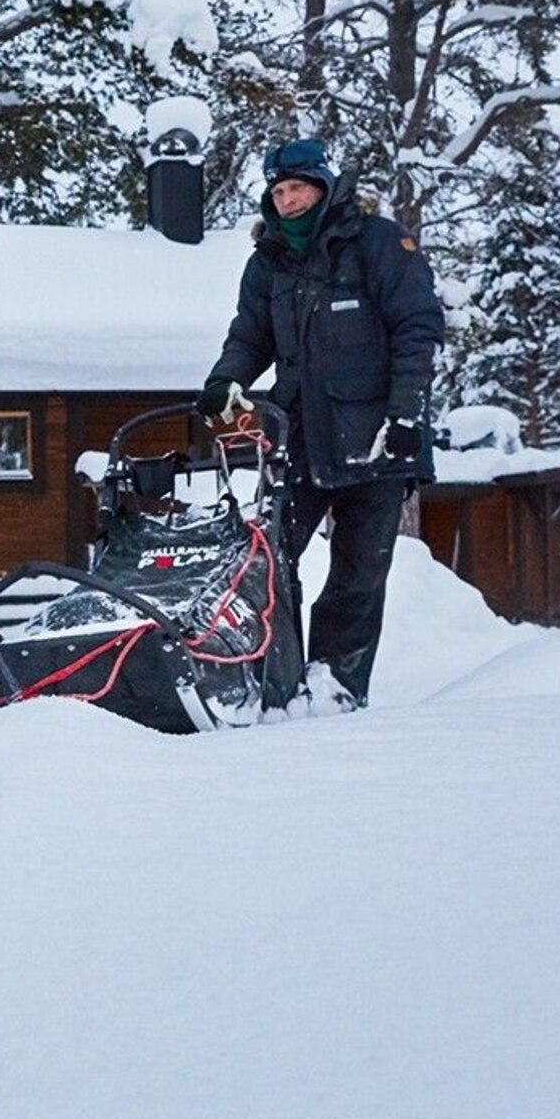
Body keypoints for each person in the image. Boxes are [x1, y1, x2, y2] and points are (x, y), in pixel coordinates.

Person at [199, 138, 444, 711]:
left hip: (380, 443)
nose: (287, 200)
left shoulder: (378, 243)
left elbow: (417, 328)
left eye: (297, 187)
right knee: (268, 565)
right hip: (301, 441)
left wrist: (407, 414)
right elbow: (249, 336)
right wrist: (224, 380)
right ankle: (270, 683)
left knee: (358, 576)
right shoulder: (269, 263)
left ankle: (335, 685)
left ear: (324, 185)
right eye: (277, 191)